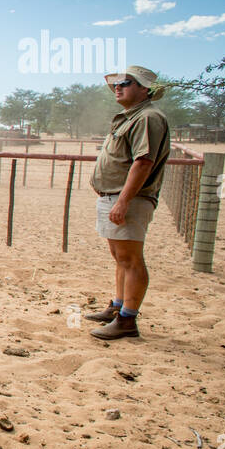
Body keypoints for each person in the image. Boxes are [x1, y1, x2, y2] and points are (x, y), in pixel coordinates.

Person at [84, 65, 171, 340]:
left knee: (131, 259)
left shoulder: (147, 118)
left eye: (126, 83)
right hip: (115, 196)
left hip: (128, 198)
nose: (118, 87)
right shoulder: (131, 117)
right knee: (120, 257)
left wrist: (123, 201)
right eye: (117, 84)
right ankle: (118, 306)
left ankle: (127, 320)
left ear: (144, 89)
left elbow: (143, 162)